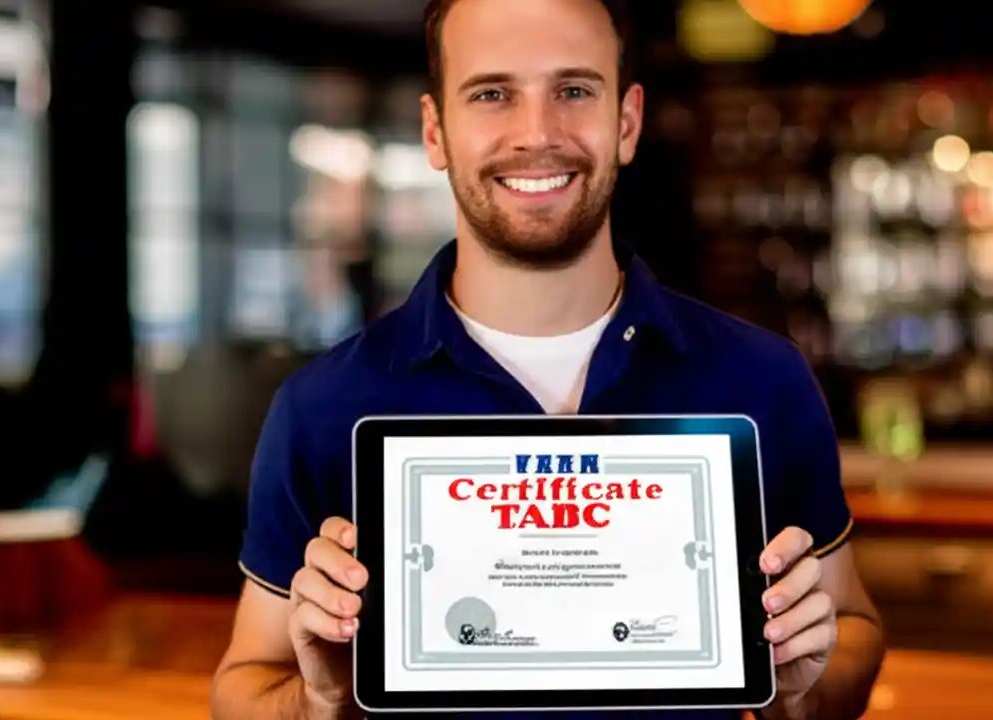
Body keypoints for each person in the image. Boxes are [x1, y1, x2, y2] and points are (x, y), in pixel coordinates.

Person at [210, 0, 886, 717]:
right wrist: (319, 702)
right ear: (436, 131)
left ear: (626, 122)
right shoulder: (323, 405)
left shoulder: (764, 378)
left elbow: (855, 631)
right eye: (493, 94)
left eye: (573, 91)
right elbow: (243, 684)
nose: (537, 134)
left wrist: (800, 690)